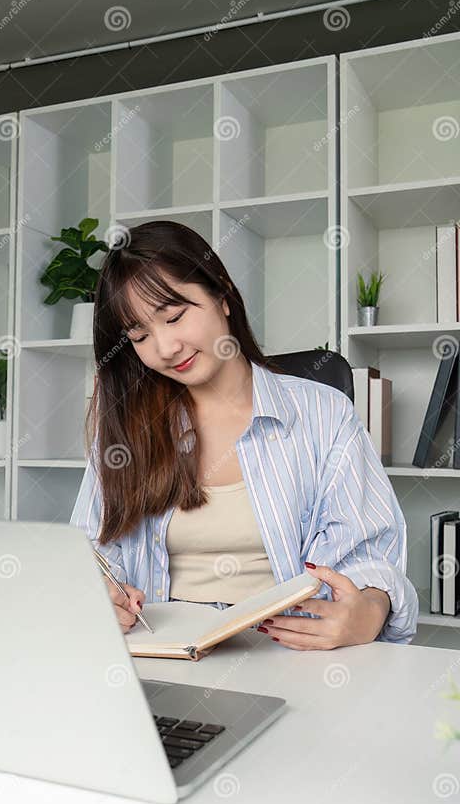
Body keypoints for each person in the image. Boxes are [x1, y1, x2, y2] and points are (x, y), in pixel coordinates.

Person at [70, 220, 419, 650]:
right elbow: (88, 550)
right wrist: (100, 593)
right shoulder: (128, 427)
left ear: (223, 296)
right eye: (139, 335)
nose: (165, 347)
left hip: (293, 654)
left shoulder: (323, 413)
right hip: (162, 655)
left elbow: (370, 554)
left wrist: (368, 610)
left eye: (175, 316)